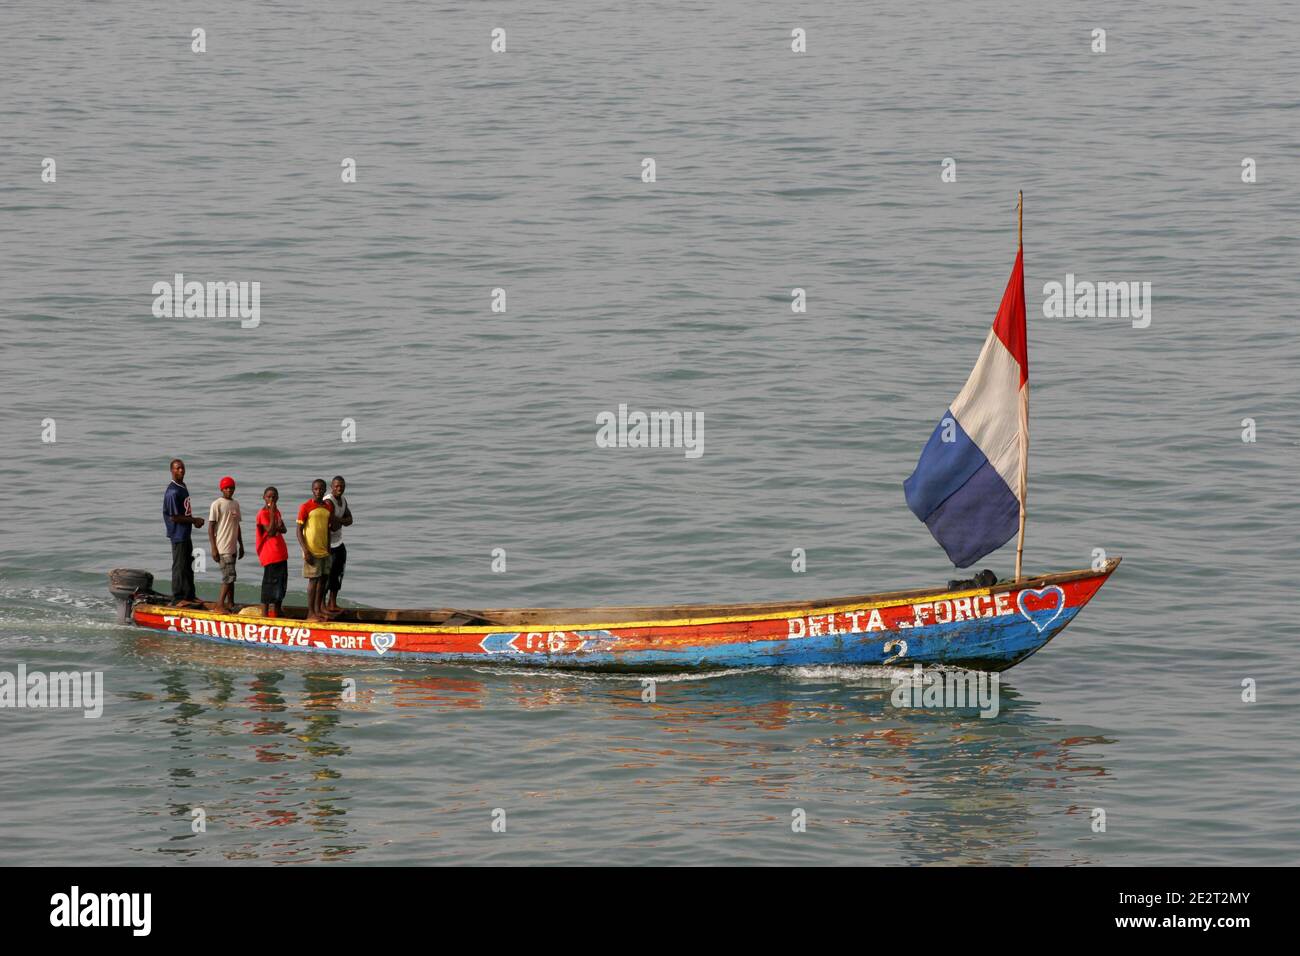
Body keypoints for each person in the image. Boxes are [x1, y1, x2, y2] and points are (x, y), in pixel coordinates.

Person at [163, 458, 205, 607]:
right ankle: (178, 597)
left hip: (186, 533)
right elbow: (174, 517)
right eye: (177, 468)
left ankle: (189, 594)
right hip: (178, 533)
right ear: (172, 471)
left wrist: (192, 522)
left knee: (188, 563)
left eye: (182, 468)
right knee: (179, 565)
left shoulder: (182, 486)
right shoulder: (172, 491)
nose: (181, 470)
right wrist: (194, 520)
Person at [296, 479, 339, 622]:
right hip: (311, 550)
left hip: (324, 550)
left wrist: (328, 548)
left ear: (325, 490)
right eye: (316, 489)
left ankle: (319, 610)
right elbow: (298, 530)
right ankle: (310, 613)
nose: (318, 491)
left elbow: (328, 529)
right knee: (313, 581)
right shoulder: (306, 506)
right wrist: (305, 550)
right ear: (312, 490)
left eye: (321, 489)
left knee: (323, 581)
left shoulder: (327, 507)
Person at [207, 476, 244, 613]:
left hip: (233, 546)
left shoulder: (235, 504)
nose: (229, 490)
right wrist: (213, 548)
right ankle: (220, 605)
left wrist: (241, 545)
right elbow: (211, 527)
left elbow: (237, 526)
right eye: (226, 488)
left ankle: (230, 604)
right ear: (221, 489)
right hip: (222, 547)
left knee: (232, 577)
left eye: (231, 488)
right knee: (229, 576)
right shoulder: (217, 504)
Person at [255, 486, 289, 617]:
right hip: (270, 554)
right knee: (269, 584)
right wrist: (272, 515)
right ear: (264, 498)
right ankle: (264, 614)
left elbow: (283, 529)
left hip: (280, 552)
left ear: (278, 498)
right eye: (268, 497)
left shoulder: (277, 512)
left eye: (274, 497)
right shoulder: (263, 513)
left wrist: (277, 523)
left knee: (281, 583)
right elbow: (270, 531)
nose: (271, 499)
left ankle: (277, 610)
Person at [322, 475, 353, 613]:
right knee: (326, 576)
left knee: (338, 573)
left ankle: (332, 603)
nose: (339, 488)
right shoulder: (329, 501)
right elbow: (332, 526)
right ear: (331, 487)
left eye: (341, 486)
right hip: (328, 544)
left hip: (338, 542)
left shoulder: (343, 500)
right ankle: (321, 606)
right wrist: (342, 520)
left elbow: (350, 520)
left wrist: (338, 520)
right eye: (336, 486)